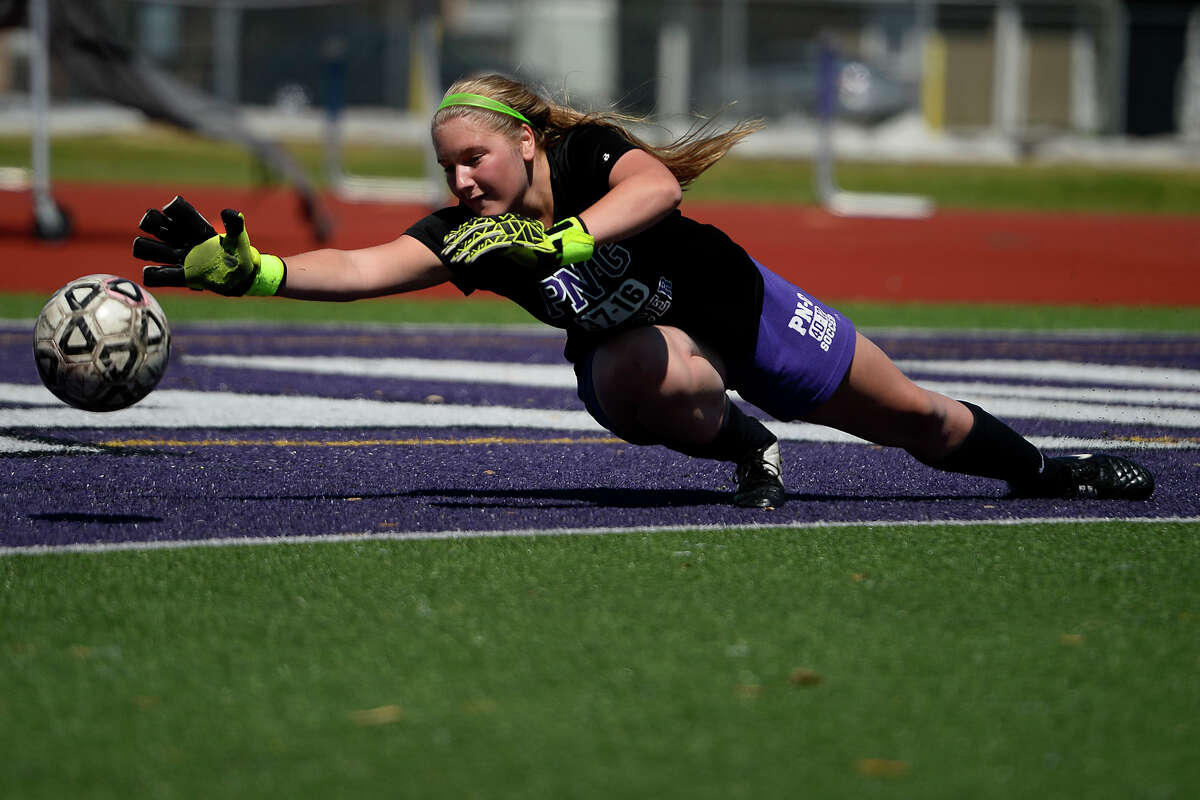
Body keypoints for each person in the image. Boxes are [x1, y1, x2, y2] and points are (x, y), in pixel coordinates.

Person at [133, 72, 1155, 508]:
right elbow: (362, 267)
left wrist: (562, 241)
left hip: (745, 310)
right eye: (447, 168)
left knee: (916, 420)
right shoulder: (471, 233)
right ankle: (747, 442)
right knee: (629, 372)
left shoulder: (585, 159)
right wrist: (257, 268)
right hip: (653, 357)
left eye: (475, 159)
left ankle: (1047, 470)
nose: (459, 183)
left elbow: (657, 186)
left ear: (526, 140)